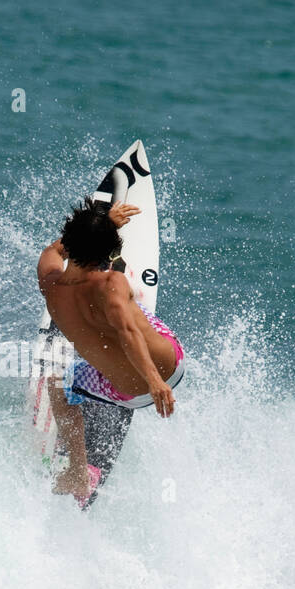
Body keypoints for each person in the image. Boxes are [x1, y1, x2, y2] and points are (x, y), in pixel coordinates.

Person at [36, 197, 185, 503]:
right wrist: (156, 382)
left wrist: (98, 226)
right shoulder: (112, 283)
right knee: (132, 312)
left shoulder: (49, 285)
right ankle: (129, 299)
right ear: (108, 255)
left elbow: (53, 251)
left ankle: (78, 471)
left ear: (70, 241)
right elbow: (129, 332)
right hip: (170, 367)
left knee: (59, 385)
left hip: (126, 393)